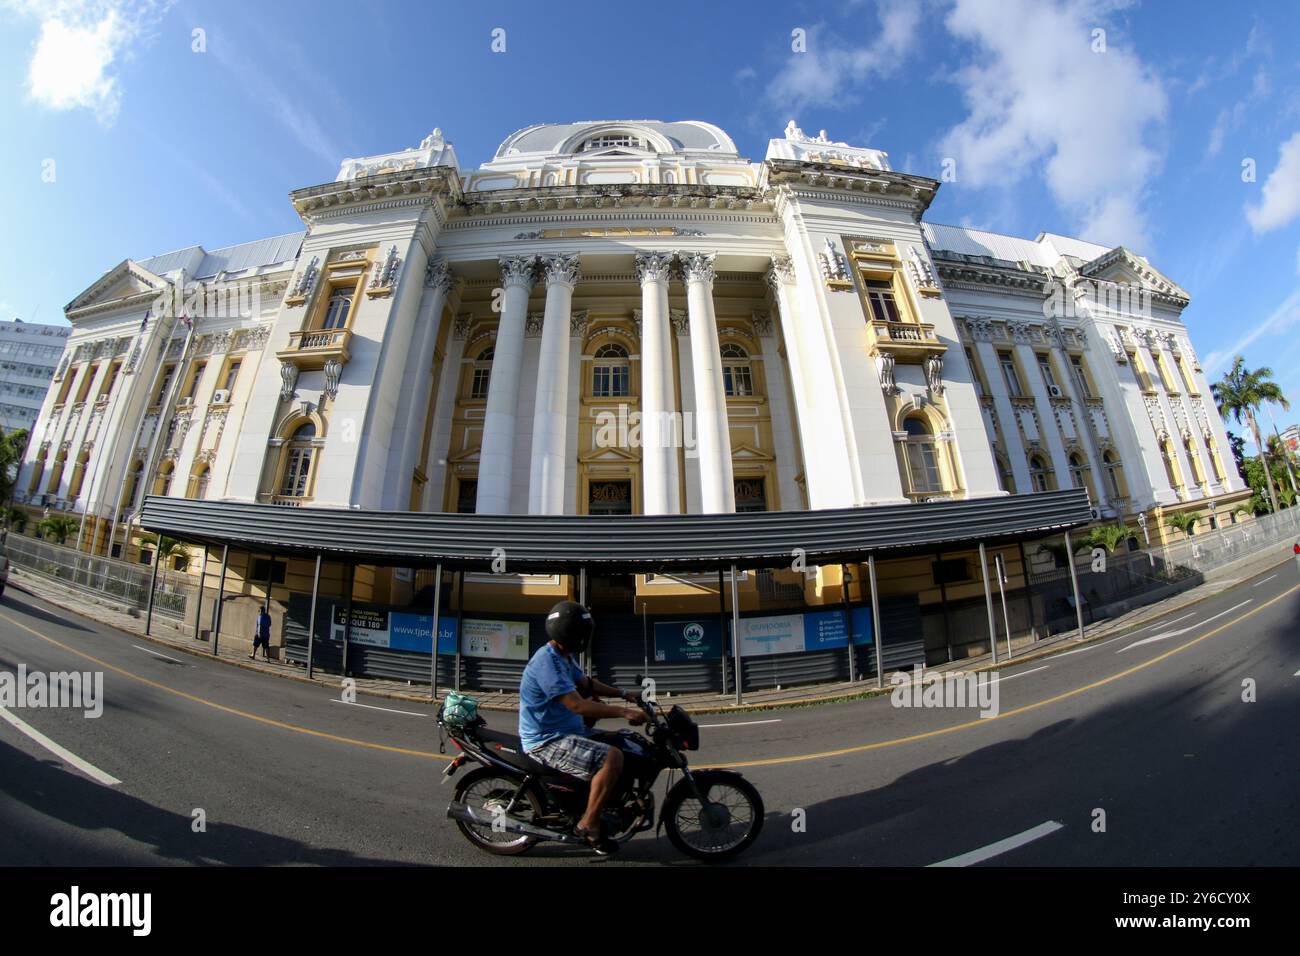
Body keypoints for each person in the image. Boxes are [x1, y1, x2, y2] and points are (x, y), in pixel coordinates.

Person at [519, 600, 646, 854]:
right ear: (573, 634)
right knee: (613, 758)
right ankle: (589, 824)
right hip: (547, 740)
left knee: (624, 741)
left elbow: (586, 683)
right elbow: (578, 706)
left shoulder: (562, 655)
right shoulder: (547, 664)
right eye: (583, 632)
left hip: (569, 731)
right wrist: (624, 711)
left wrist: (625, 694)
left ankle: (601, 803)